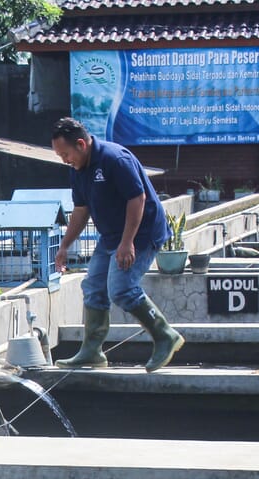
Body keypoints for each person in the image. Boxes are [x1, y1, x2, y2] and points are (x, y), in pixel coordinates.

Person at [50, 117, 184, 372]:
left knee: (121, 289)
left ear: (81, 144)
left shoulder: (115, 159)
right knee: (93, 287)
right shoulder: (77, 170)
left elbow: (137, 198)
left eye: (65, 154)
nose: (64, 159)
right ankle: (92, 352)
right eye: (60, 155)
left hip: (141, 234)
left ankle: (165, 335)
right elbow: (81, 209)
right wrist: (65, 245)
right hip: (111, 235)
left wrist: (127, 243)